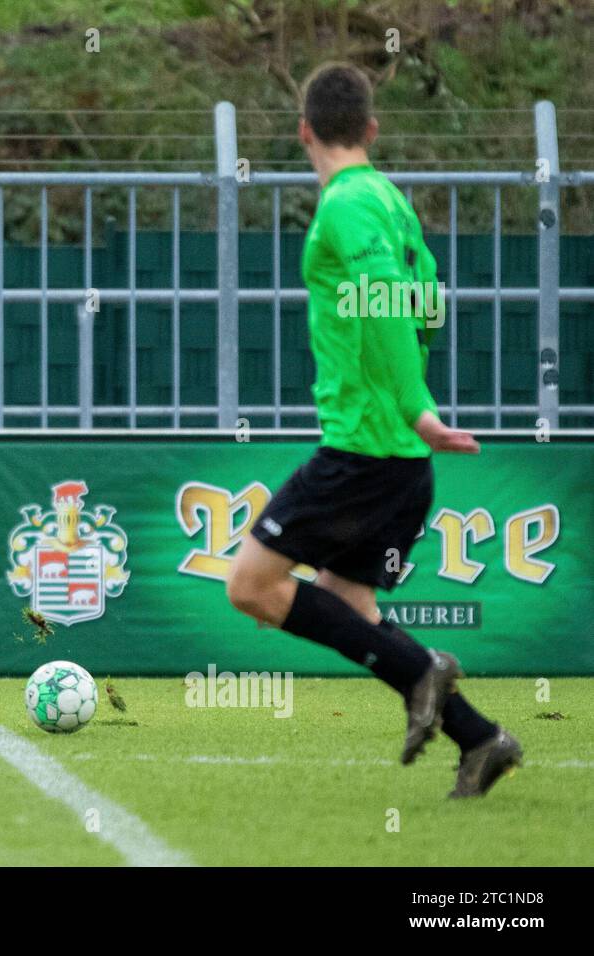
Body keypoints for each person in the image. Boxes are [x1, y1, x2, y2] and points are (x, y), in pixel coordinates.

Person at [225, 63, 520, 798]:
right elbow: (427, 303)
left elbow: (390, 307)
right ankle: (481, 741)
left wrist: (415, 405)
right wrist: (412, 402)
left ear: (303, 132)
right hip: (396, 458)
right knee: (351, 607)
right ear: (372, 129)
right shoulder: (391, 200)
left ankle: (428, 673)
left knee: (253, 586)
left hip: (363, 448)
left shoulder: (347, 207)